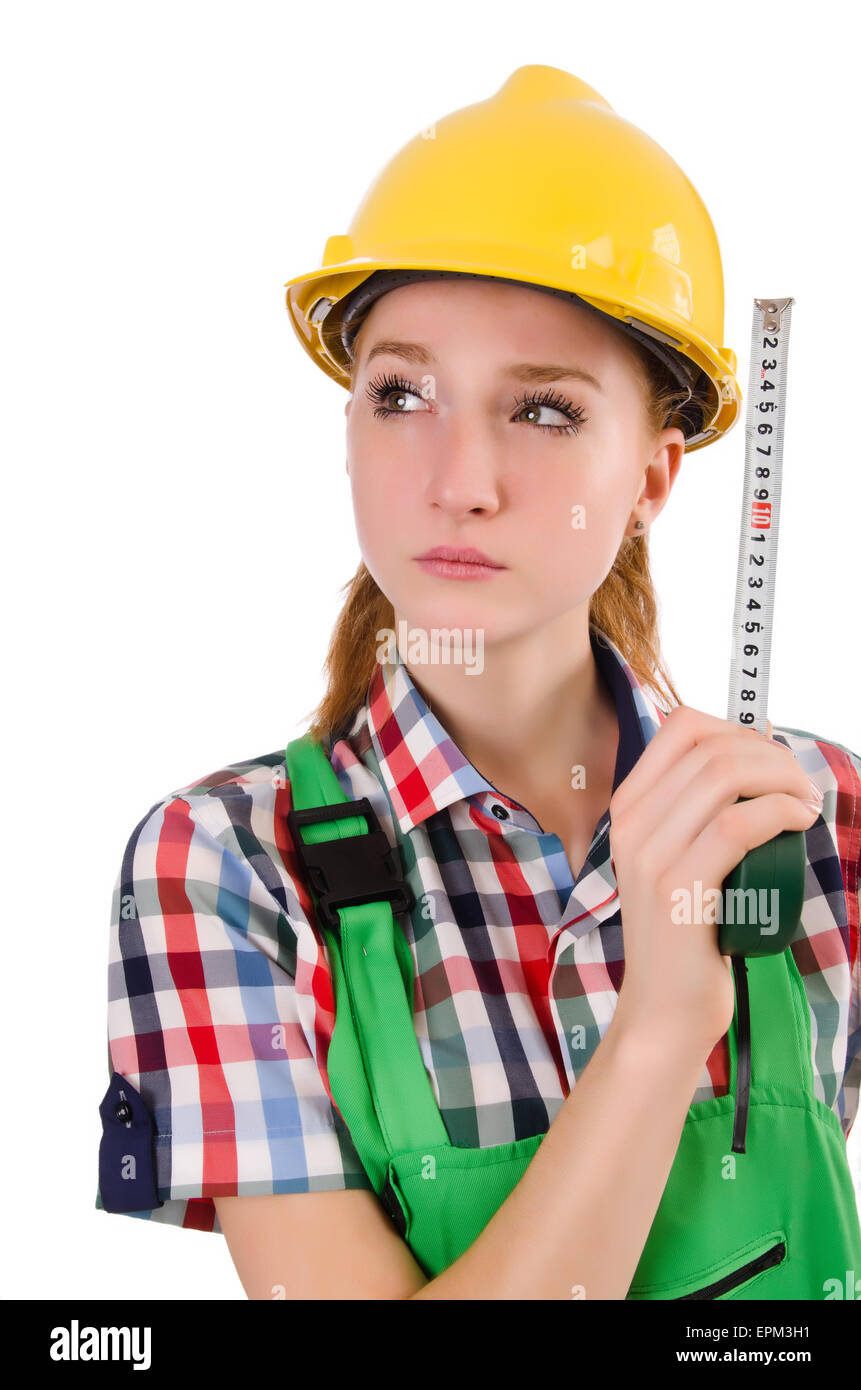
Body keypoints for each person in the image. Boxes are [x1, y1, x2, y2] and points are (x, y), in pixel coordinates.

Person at [96, 66, 861, 1301]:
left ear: (653, 482)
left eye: (544, 412)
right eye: (401, 394)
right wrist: (662, 1030)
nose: (459, 479)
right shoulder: (229, 869)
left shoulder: (813, 821)